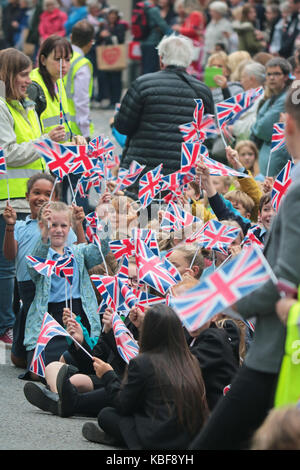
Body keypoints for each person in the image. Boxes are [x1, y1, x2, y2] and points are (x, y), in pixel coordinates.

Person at [189, 82, 300, 450]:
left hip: (277, 351)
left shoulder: (298, 194)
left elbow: (284, 283)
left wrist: (216, 302)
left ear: (290, 127)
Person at [81, 305, 209, 448]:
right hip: (188, 437)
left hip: (157, 438)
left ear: (148, 332)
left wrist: (107, 375)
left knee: (106, 414)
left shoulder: (143, 362)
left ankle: (121, 439)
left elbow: (123, 404)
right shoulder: (191, 361)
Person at [2, 173, 81, 367]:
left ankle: (51, 356)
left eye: (48, 194)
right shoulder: (20, 226)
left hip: (52, 290)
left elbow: (80, 251)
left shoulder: (60, 226)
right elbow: (10, 255)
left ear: (55, 199)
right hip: (27, 291)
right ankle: (31, 351)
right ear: (27, 196)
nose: (42, 198)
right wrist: (10, 225)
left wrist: (78, 226)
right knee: (17, 359)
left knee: (40, 352)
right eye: (37, 193)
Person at [23, 200, 110, 376]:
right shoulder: (40, 256)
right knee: (39, 370)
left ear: (70, 226)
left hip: (79, 311)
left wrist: (103, 221)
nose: (58, 230)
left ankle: (69, 378)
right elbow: (33, 267)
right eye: (53, 225)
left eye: (63, 225)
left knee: (82, 362)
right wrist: (45, 235)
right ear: (43, 226)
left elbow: (101, 250)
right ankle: (57, 377)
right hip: (50, 315)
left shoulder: (78, 252)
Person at [113, 34, 214, 181]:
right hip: (181, 175)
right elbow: (207, 136)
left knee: (137, 205)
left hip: (142, 173)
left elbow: (122, 126)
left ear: (161, 59)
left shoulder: (142, 85)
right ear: (188, 61)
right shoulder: (203, 91)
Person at [0, 48, 47, 346]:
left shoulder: (24, 104)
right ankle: (6, 323)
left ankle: (15, 320)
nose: (28, 81)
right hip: (9, 198)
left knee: (22, 264)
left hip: (29, 197)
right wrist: (45, 143)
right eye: (23, 74)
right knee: (7, 267)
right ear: (7, 75)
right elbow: (8, 152)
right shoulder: (2, 106)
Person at [27, 35, 75, 143]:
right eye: (58, 59)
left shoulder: (58, 81)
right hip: (43, 156)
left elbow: (62, 123)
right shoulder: (32, 88)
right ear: (43, 60)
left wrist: (74, 137)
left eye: (67, 59)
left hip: (59, 154)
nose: (64, 65)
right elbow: (28, 135)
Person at [251, 57, 292, 176]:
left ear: (285, 76)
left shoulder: (286, 99)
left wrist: (255, 126)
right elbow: (259, 125)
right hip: (266, 159)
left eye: (277, 74)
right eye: (269, 74)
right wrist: (257, 126)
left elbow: (263, 128)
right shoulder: (271, 98)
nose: (272, 77)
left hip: (279, 161)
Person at [64, 19, 94, 140]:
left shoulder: (58, 57)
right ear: (90, 42)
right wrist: (86, 133)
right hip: (75, 128)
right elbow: (81, 101)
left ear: (70, 37)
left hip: (54, 124)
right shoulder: (81, 64)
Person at [95, 6, 128, 109]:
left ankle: (115, 101)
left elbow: (120, 39)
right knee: (105, 79)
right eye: (110, 16)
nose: (112, 18)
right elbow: (97, 40)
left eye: (114, 16)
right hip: (106, 57)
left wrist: (107, 36)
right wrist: (101, 35)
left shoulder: (120, 26)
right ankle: (108, 99)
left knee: (116, 80)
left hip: (116, 56)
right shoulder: (103, 26)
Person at [231, 61, 265, 142]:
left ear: (252, 79)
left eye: (243, 77)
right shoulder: (248, 96)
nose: (241, 81)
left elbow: (253, 126)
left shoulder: (262, 98)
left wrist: (233, 128)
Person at [138, 0, 172, 75]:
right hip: (153, 43)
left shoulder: (142, 6)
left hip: (143, 42)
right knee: (151, 70)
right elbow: (163, 26)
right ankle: (149, 86)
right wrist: (175, 36)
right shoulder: (153, 9)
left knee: (144, 68)